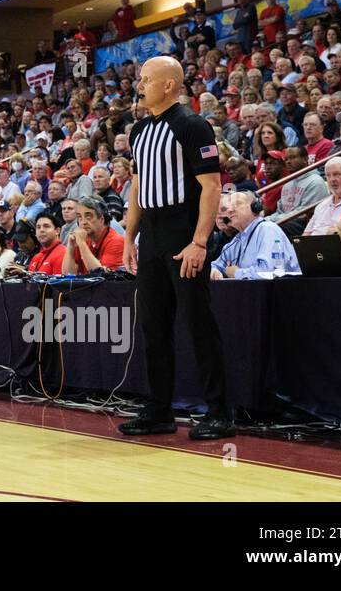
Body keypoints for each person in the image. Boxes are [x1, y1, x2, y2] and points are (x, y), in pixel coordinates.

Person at [119, 56, 233, 440]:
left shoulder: (192, 125)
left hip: (183, 230)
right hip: (151, 233)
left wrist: (200, 241)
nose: (140, 85)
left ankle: (219, 412)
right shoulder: (138, 131)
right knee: (153, 326)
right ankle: (159, 411)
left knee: (198, 323)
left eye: (147, 79)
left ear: (169, 84)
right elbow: (137, 189)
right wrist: (129, 238)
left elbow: (212, 187)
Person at [209, 191, 300, 279]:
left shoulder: (267, 229)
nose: (230, 210)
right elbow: (215, 265)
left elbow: (269, 272)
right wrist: (214, 271)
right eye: (228, 206)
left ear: (255, 208)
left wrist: (236, 273)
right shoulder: (237, 240)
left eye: (237, 204)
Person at [63, 195, 124, 275]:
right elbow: (68, 274)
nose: (83, 222)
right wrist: (70, 248)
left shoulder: (116, 241)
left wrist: (82, 244)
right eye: (80, 217)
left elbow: (103, 277)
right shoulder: (84, 239)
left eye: (88, 216)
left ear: (102, 219)